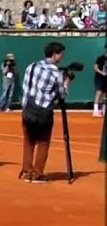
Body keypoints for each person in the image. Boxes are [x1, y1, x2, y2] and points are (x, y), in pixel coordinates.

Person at [19, 41, 71, 183]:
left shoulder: (32, 66)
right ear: (55, 54)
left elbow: (25, 86)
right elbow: (62, 94)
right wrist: (67, 83)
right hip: (43, 111)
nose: (61, 57)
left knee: (28, 141)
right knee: (43, 142)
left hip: (27, 108)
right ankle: (37, 174)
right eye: (61, 54)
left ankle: (27, 172)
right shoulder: (55, 72)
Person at [93, 43, 107, 118]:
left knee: (104, 94)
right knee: (98, 92)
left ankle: (102, 110)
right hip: (99, 77)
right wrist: (102, 73)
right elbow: (95, 68)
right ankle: (95, 111)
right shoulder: (100, 58)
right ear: (105, 49)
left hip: (106, 78)